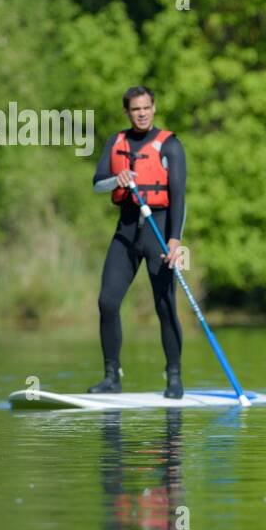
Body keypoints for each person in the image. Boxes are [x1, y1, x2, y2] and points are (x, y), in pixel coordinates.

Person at [87, 86, 186, 397]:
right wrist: (117, 180)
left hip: (158, 232)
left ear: (153, 108)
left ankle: (173, 378)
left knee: (165, 306)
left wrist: (174, 241)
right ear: (127, 112)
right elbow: (97, 185)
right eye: (135, 109)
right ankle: (111, 377)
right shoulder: (116, 142)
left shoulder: (170, 145)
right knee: (107, 302)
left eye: (146, 108)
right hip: (127, 232)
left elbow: (180, 197)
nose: (141, 113)